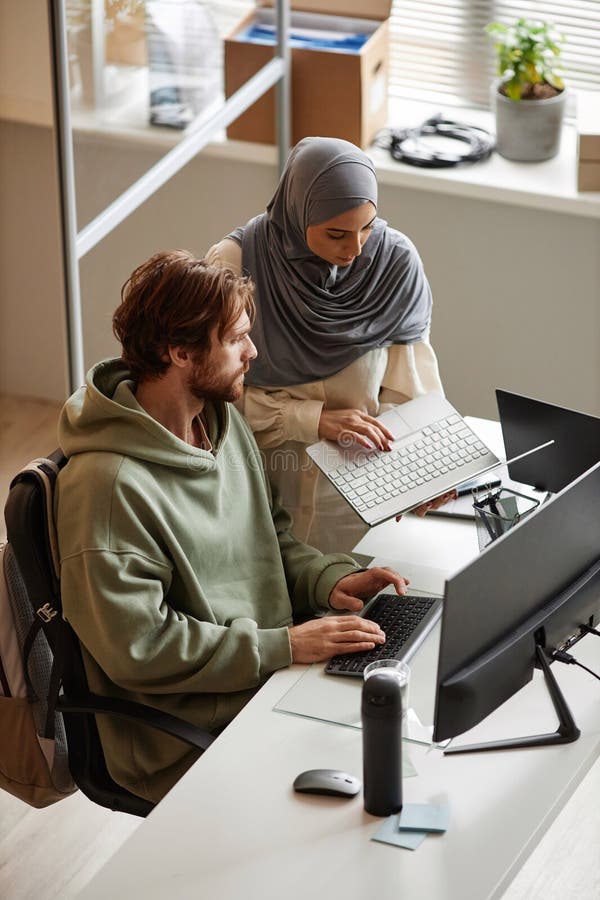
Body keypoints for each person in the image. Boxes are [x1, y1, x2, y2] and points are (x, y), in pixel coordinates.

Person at [55, 250, 410, 804]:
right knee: (368, 780)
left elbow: (273, 537)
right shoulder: (106, 488)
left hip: (266, 673)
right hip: (186, 730)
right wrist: (283, 646)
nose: (253, 352)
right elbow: (139, 646)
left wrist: (328, 581)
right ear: (180, 352)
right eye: (237, 339)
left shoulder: (221, 424)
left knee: (403, 730)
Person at [205, 137, 453, 554]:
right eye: (336, 233)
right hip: (257, 498)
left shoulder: (395, 266)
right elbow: (210, 403)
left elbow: (412, 396)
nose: (355, 248)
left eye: (367, 227)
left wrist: (424, 472)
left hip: (357, 511)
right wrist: (311, 420)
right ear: (297, 210)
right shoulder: (237, 263)